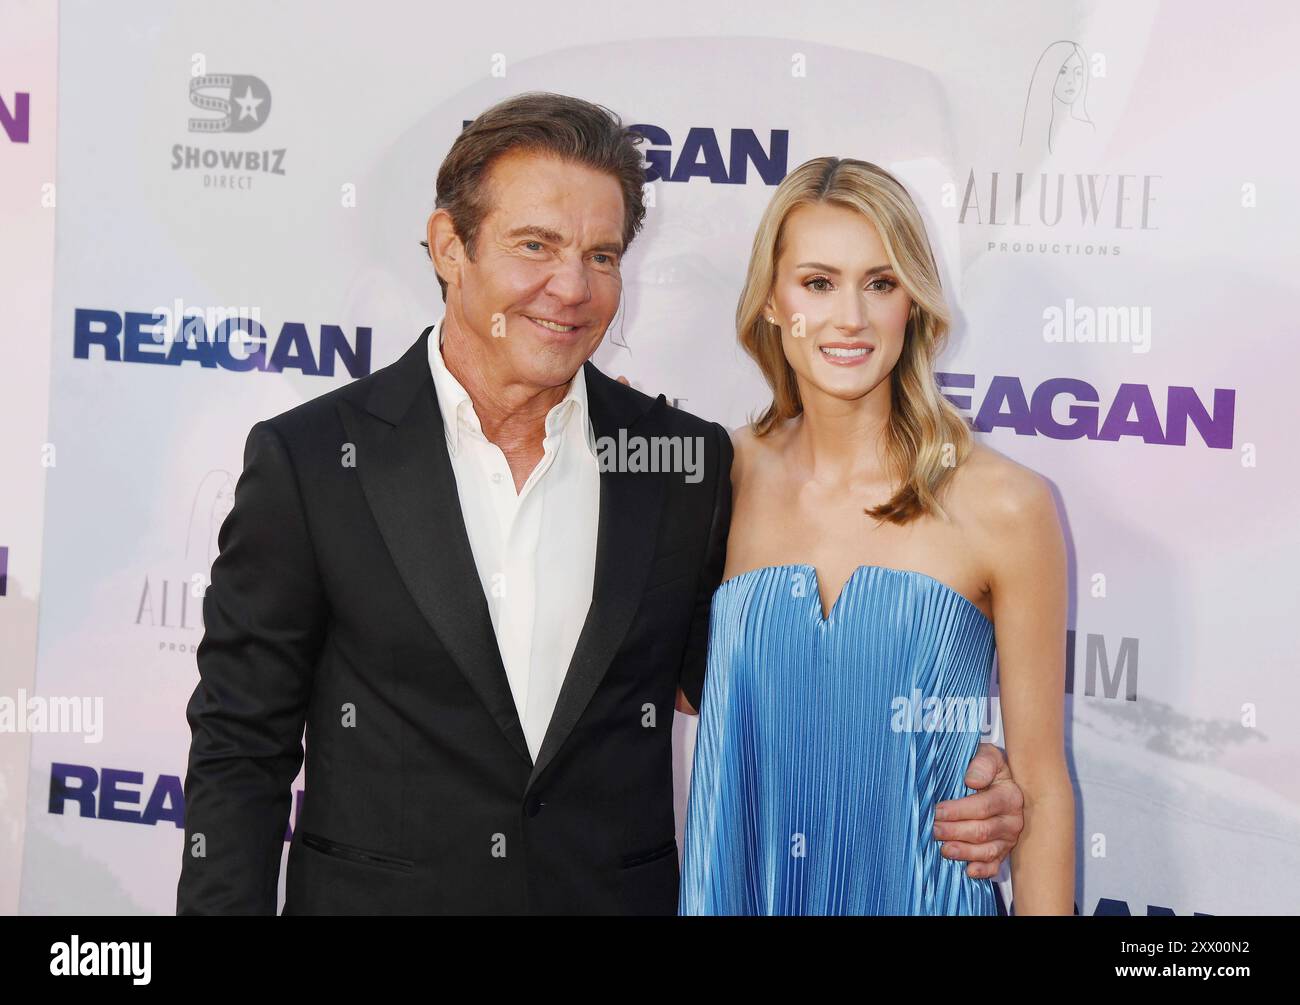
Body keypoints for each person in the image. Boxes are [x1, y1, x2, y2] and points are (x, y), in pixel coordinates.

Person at [177, 93, 1025, 915]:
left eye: (602, 255)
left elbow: (753, 683)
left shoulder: (685, 464)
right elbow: (239, 751)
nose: (571, 288)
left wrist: (961, 771)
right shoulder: (314, 461)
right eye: (535, 246)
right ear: (448, 246)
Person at [679, 157, 1073, 915]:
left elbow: (1043, 786)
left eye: (881, 283)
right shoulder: (718, 479)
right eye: (818, 283)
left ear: (913, 303)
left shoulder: (1006, 504)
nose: (850, 318)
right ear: (770, 299)